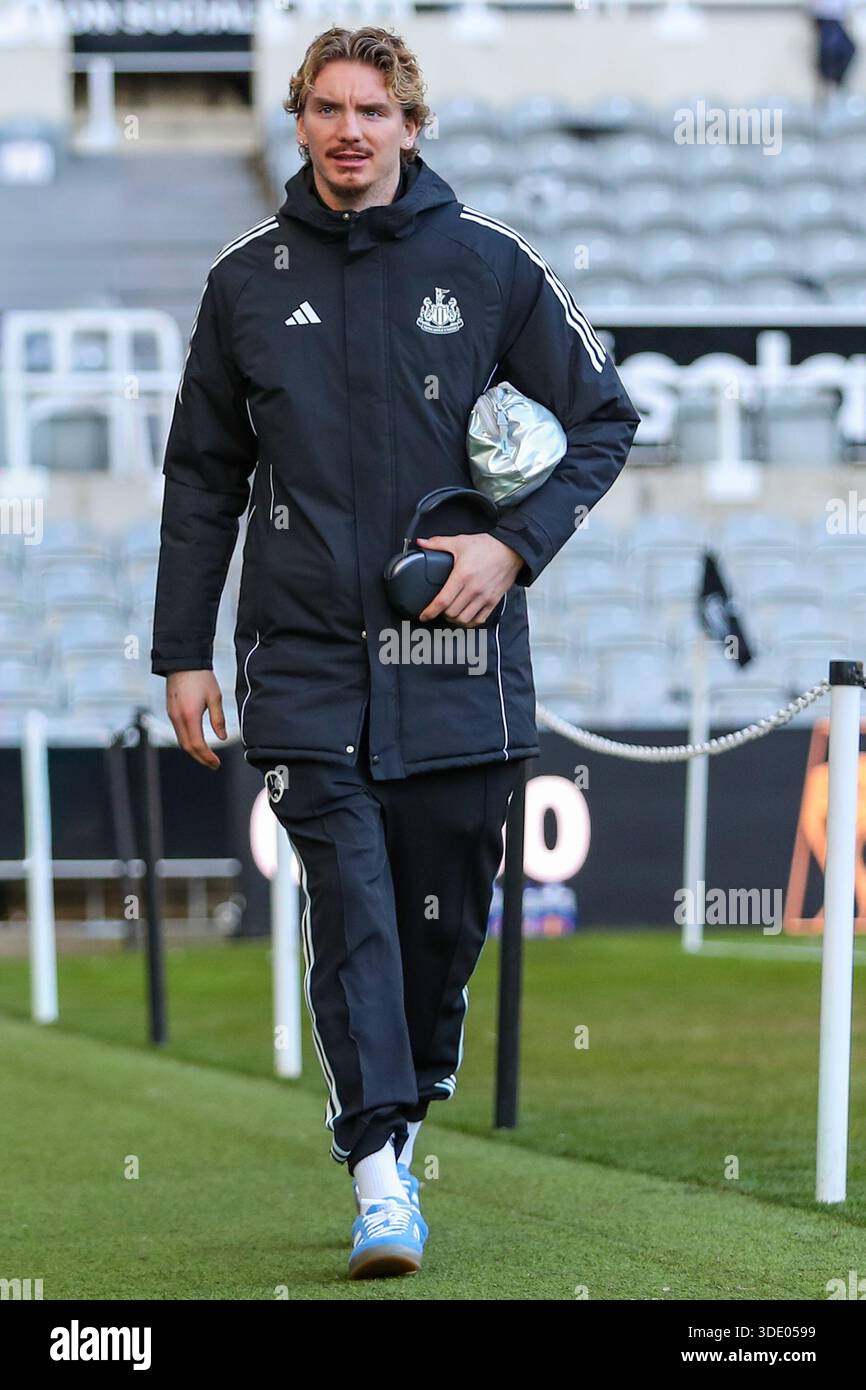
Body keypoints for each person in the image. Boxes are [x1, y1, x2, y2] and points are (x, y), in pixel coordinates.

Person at [150, 24, 639, 1280]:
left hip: (456, 670)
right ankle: (378, 1176)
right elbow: (200, 478)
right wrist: (181, 653)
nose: (348, 130)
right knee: (354, 909)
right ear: (299, 122)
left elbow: (603, 417)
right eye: (325, 108)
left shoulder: (488, 266)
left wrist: (510, 549)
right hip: (302, 666)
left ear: (411, 126)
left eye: (373, 109)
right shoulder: (243, 282)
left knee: (437, 935)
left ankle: (403, 1105)